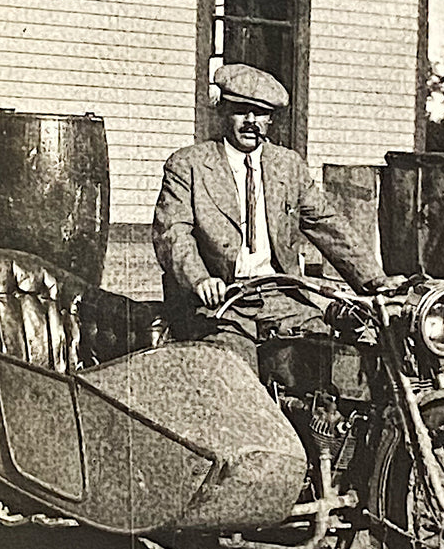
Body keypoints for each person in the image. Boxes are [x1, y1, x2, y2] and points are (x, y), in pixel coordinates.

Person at [152, 63, 402, 369]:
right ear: (222, 111)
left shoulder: (288, 166)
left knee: (327, 360)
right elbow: (173, 233)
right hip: (217, 305)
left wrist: (375, 281)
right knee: (235, 372)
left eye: (260, 113)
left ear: (271, 119)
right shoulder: (188, 165)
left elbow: (328, 224)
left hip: (280, 299)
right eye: (241, 110)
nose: (250, 121)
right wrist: (201, 279)